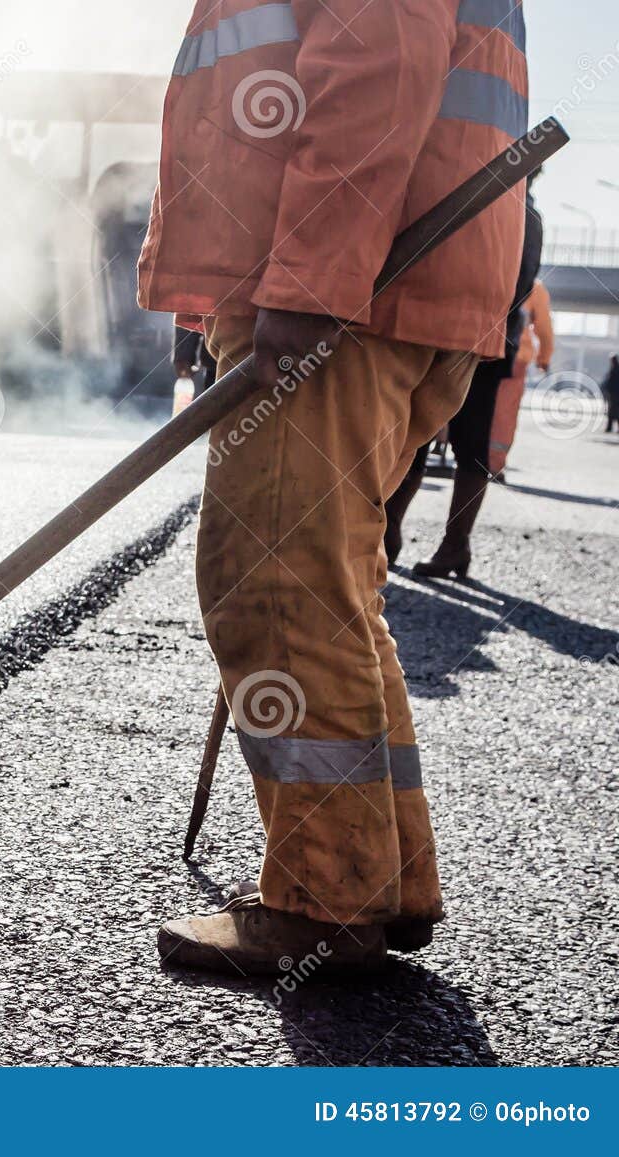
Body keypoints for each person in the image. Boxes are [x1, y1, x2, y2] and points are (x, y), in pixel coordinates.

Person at [138, 0, 528, 975]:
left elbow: (375, 63)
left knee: (273, 587)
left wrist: (307, 281)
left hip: (348, 294)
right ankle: (379, 876)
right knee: (329, 588)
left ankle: (322, 904)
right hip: (390, 285)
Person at [385, 187, 542, 577]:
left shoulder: (523, 213)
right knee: (412, 433)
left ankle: (454, 545)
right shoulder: (471, 191)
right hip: (442, 330)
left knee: (464, 442)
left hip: (482, 340)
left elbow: (519, 283)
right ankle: (387, 535)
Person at [487, 278, 554, 477]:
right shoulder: (534, 287)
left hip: (483, 351)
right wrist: (544, 357)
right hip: (516, 356)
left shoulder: (496, 272)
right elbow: (544, 328)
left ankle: (468, 458)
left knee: (475, 403)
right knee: (504, 412)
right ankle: (493, 463)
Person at [604, 355, 619, 435]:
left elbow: (611, 382)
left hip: (614, 395)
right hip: (613, 394)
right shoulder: (613, 369)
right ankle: (609, 427)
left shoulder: (615, 370)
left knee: (613, 412)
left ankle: (609, 427)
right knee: (613, 412)